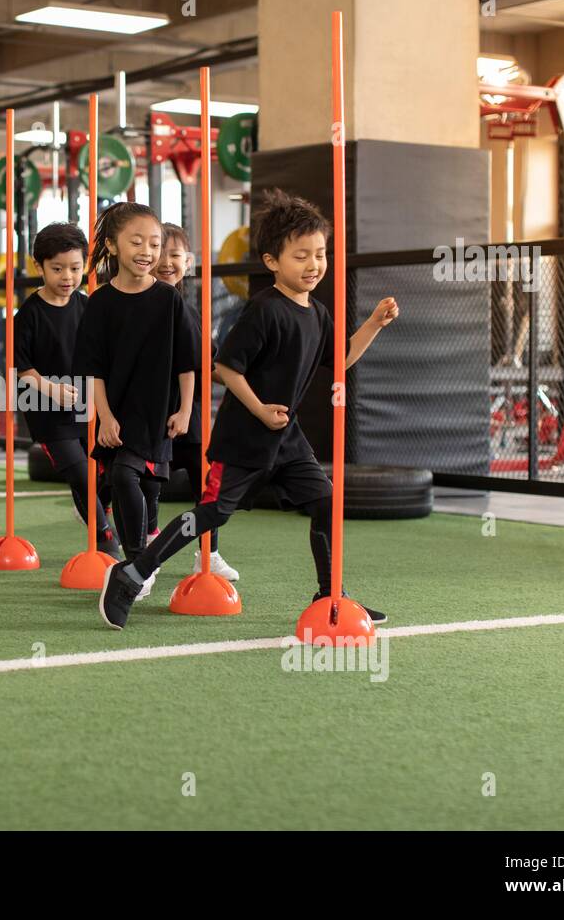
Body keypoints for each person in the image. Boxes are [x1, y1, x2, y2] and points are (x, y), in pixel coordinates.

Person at [97, 190, 400, 630]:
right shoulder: (264, 310)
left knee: (326, 502)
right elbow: (225, 367)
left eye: (320, 255)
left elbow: (342, 359)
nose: (314, 265)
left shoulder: (317, 314)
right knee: (214, 512)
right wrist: (259, 409)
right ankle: (133, 572)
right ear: (273, 261)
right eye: (301, 256)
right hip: (245, 436)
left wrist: (373, 324)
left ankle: (332, 595)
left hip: (288, 439)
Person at [72, 202, 196, 599]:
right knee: (124, 476)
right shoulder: (100, 303)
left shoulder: (170, 300)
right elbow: (94, 370)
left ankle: (139, 564)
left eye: (155, 244)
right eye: (137, 242)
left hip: (159, 412)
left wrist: (186, 409)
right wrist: (104, 417)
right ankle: (139, 562)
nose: (147, 251)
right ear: (112, 245)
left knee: (146, 486)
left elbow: (186, 363)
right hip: (119, 415)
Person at [15, 222, 121, 558]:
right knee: (80, 473)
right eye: (57, 269)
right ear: (39, 267)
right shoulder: (28, 315)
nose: (67, 277)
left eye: (75, 269)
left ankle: (90, 510)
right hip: (46, 412)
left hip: (87, 406)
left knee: (107, 477)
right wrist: (52, 389)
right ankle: (107, 542)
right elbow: (22, 370)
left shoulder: (88, 306)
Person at [152, 222, 240, 581]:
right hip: (153, 414)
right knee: (147, 484)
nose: (167, 262)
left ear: (188, 262)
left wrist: (244, 383)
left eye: (175, 255)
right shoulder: (140, 308)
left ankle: (208, 552)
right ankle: (145, 552)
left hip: (193, 415)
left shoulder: (192, 313)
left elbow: (211, 364)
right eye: (160, 254)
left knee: (206, 485)